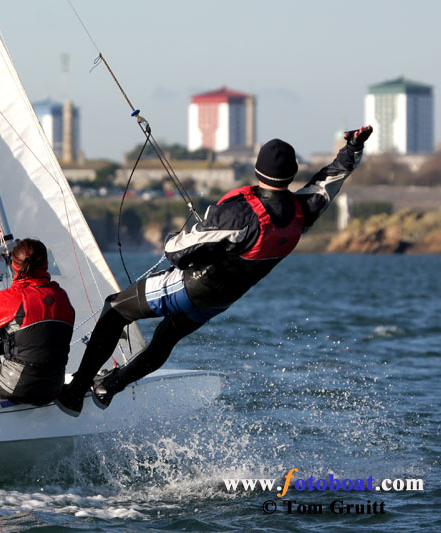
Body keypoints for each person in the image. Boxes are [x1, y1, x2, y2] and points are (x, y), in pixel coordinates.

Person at [55, 125, 374, 417]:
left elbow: (176, 251)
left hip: (191, 286)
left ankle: (76, 390)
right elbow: (331, 178)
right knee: (164, 341)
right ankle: (110, 386)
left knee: (115, 309)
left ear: (257, 169)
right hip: (222, 300)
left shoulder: (239, 213)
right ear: (291, 175)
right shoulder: (302, 211)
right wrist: (353, 149)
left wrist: (179, 241)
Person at [0, 238, 75, 406]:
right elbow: (44, 340)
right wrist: (4, 345)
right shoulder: (61, 297)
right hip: (53, 386)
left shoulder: (11, 299)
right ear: (46, 263)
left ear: (14, 265)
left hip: (19, 385)